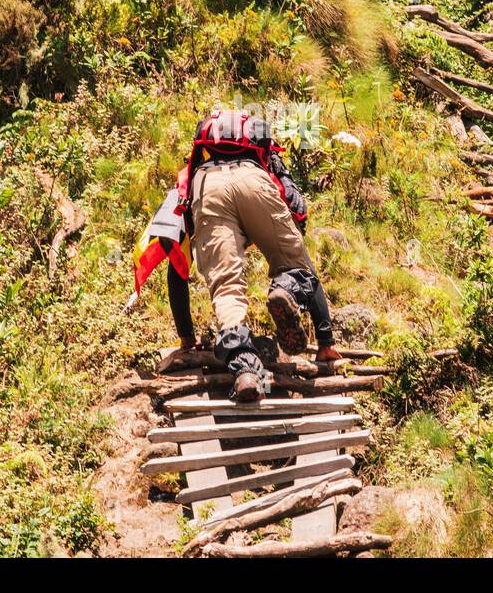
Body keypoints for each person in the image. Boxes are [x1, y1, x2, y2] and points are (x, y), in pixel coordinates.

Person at [132, 109, 339, 402]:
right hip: (254, 181)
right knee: (294, 265)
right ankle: (285, 291)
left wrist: (187, 339)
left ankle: (244, 371)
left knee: (226, 286)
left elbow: (177, 270)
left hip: (209, 188)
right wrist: (326, 342)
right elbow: (300, 231)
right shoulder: (266, 159)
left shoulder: (187, 182)